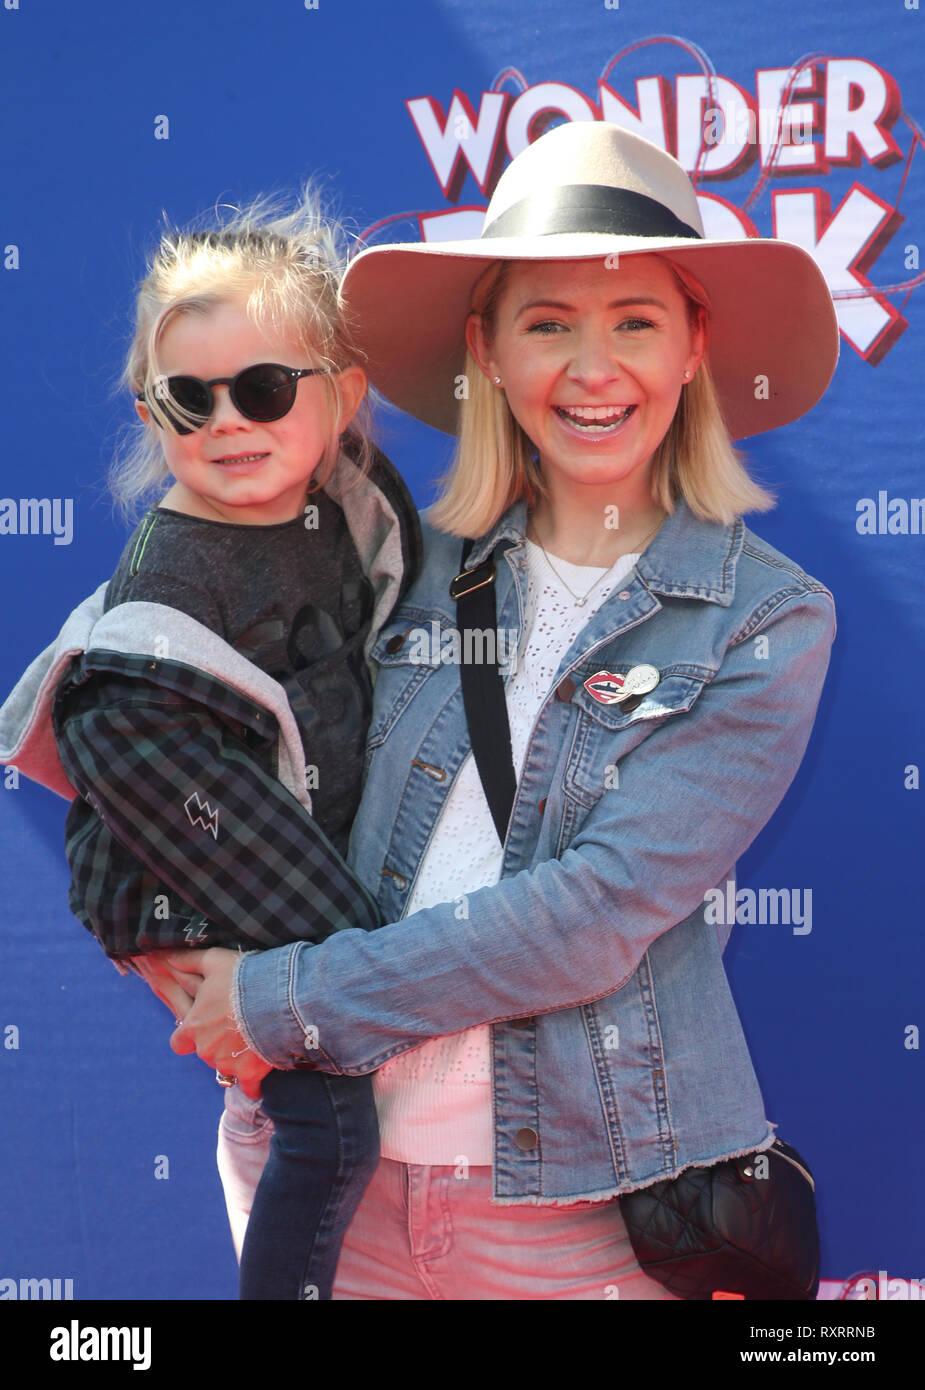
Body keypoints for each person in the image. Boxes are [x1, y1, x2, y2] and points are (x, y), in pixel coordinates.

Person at [7, 120, 839, 1301]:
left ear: (695, 346)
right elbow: (138, 663)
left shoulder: (761, 620)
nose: (590, 369)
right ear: (487, 352)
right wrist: (153, 925)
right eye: (546, 323)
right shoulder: (391, 545)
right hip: (323, 1181)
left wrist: (276, 1000)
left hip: (574, 1211)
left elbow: (593, 915)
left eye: (634, 322)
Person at [0, 192, 420, 1301]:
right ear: (151, 415)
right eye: (191, 398)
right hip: (202, 891)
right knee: (328, 1133)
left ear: (343, 399)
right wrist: (364, 959)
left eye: (266, 388)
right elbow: (194, 808)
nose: (230, 421)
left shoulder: (349, 502)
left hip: (285, 877)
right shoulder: (173, 588)